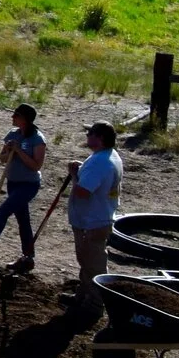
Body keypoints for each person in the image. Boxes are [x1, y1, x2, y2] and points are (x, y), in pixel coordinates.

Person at [0, 104, 47, 271]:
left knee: (4, 211)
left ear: (25, 119)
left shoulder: (37, 139)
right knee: (23, 220)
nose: (12, 118)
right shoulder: (12, 135)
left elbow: (36, 165)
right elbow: (2, 159)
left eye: (16, 115)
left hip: (28, 185)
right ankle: (28, 257)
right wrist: (8, 150)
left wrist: (19, 151)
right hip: (13, 183)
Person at [64, 120, 123, 317]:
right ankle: (83, 296)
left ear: (99, 138)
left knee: (93, 264)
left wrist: (74, 175)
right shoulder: (108, 156)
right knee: (87, 261)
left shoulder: (100, 162)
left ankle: (96, 305)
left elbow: (83, 192)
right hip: (97, 218)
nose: (87, 137)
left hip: (92, 222)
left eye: (90, 134)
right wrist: (81, 170)